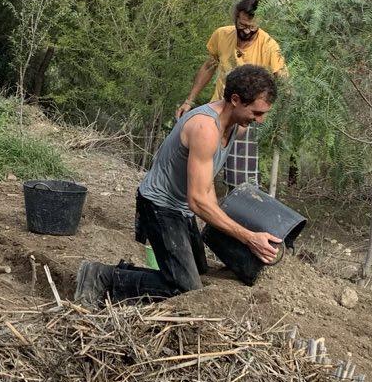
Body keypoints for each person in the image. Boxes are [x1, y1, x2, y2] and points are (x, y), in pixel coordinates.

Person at [75, 64, 284, 306]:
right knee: (186, 290)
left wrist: (227, 228)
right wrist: (248, 237)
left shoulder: (237, 127)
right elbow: (197, 199)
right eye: (257, 113)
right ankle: (101, 277)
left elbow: (207, 182)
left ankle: (126, 277)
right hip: (159, 206)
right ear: (235, 100)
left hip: (182, 208)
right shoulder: (206, 128)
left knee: (199, 273)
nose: (260, 120)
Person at [176, 0, 286, 119]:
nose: (247, 31)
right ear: (236, 18)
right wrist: (189, 101)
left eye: (252, 27)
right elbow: (208, 67)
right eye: (243, 25)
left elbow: (283, 82)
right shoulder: (221, 35)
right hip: (219, 108)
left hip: (248, 115)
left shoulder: (270, 46)